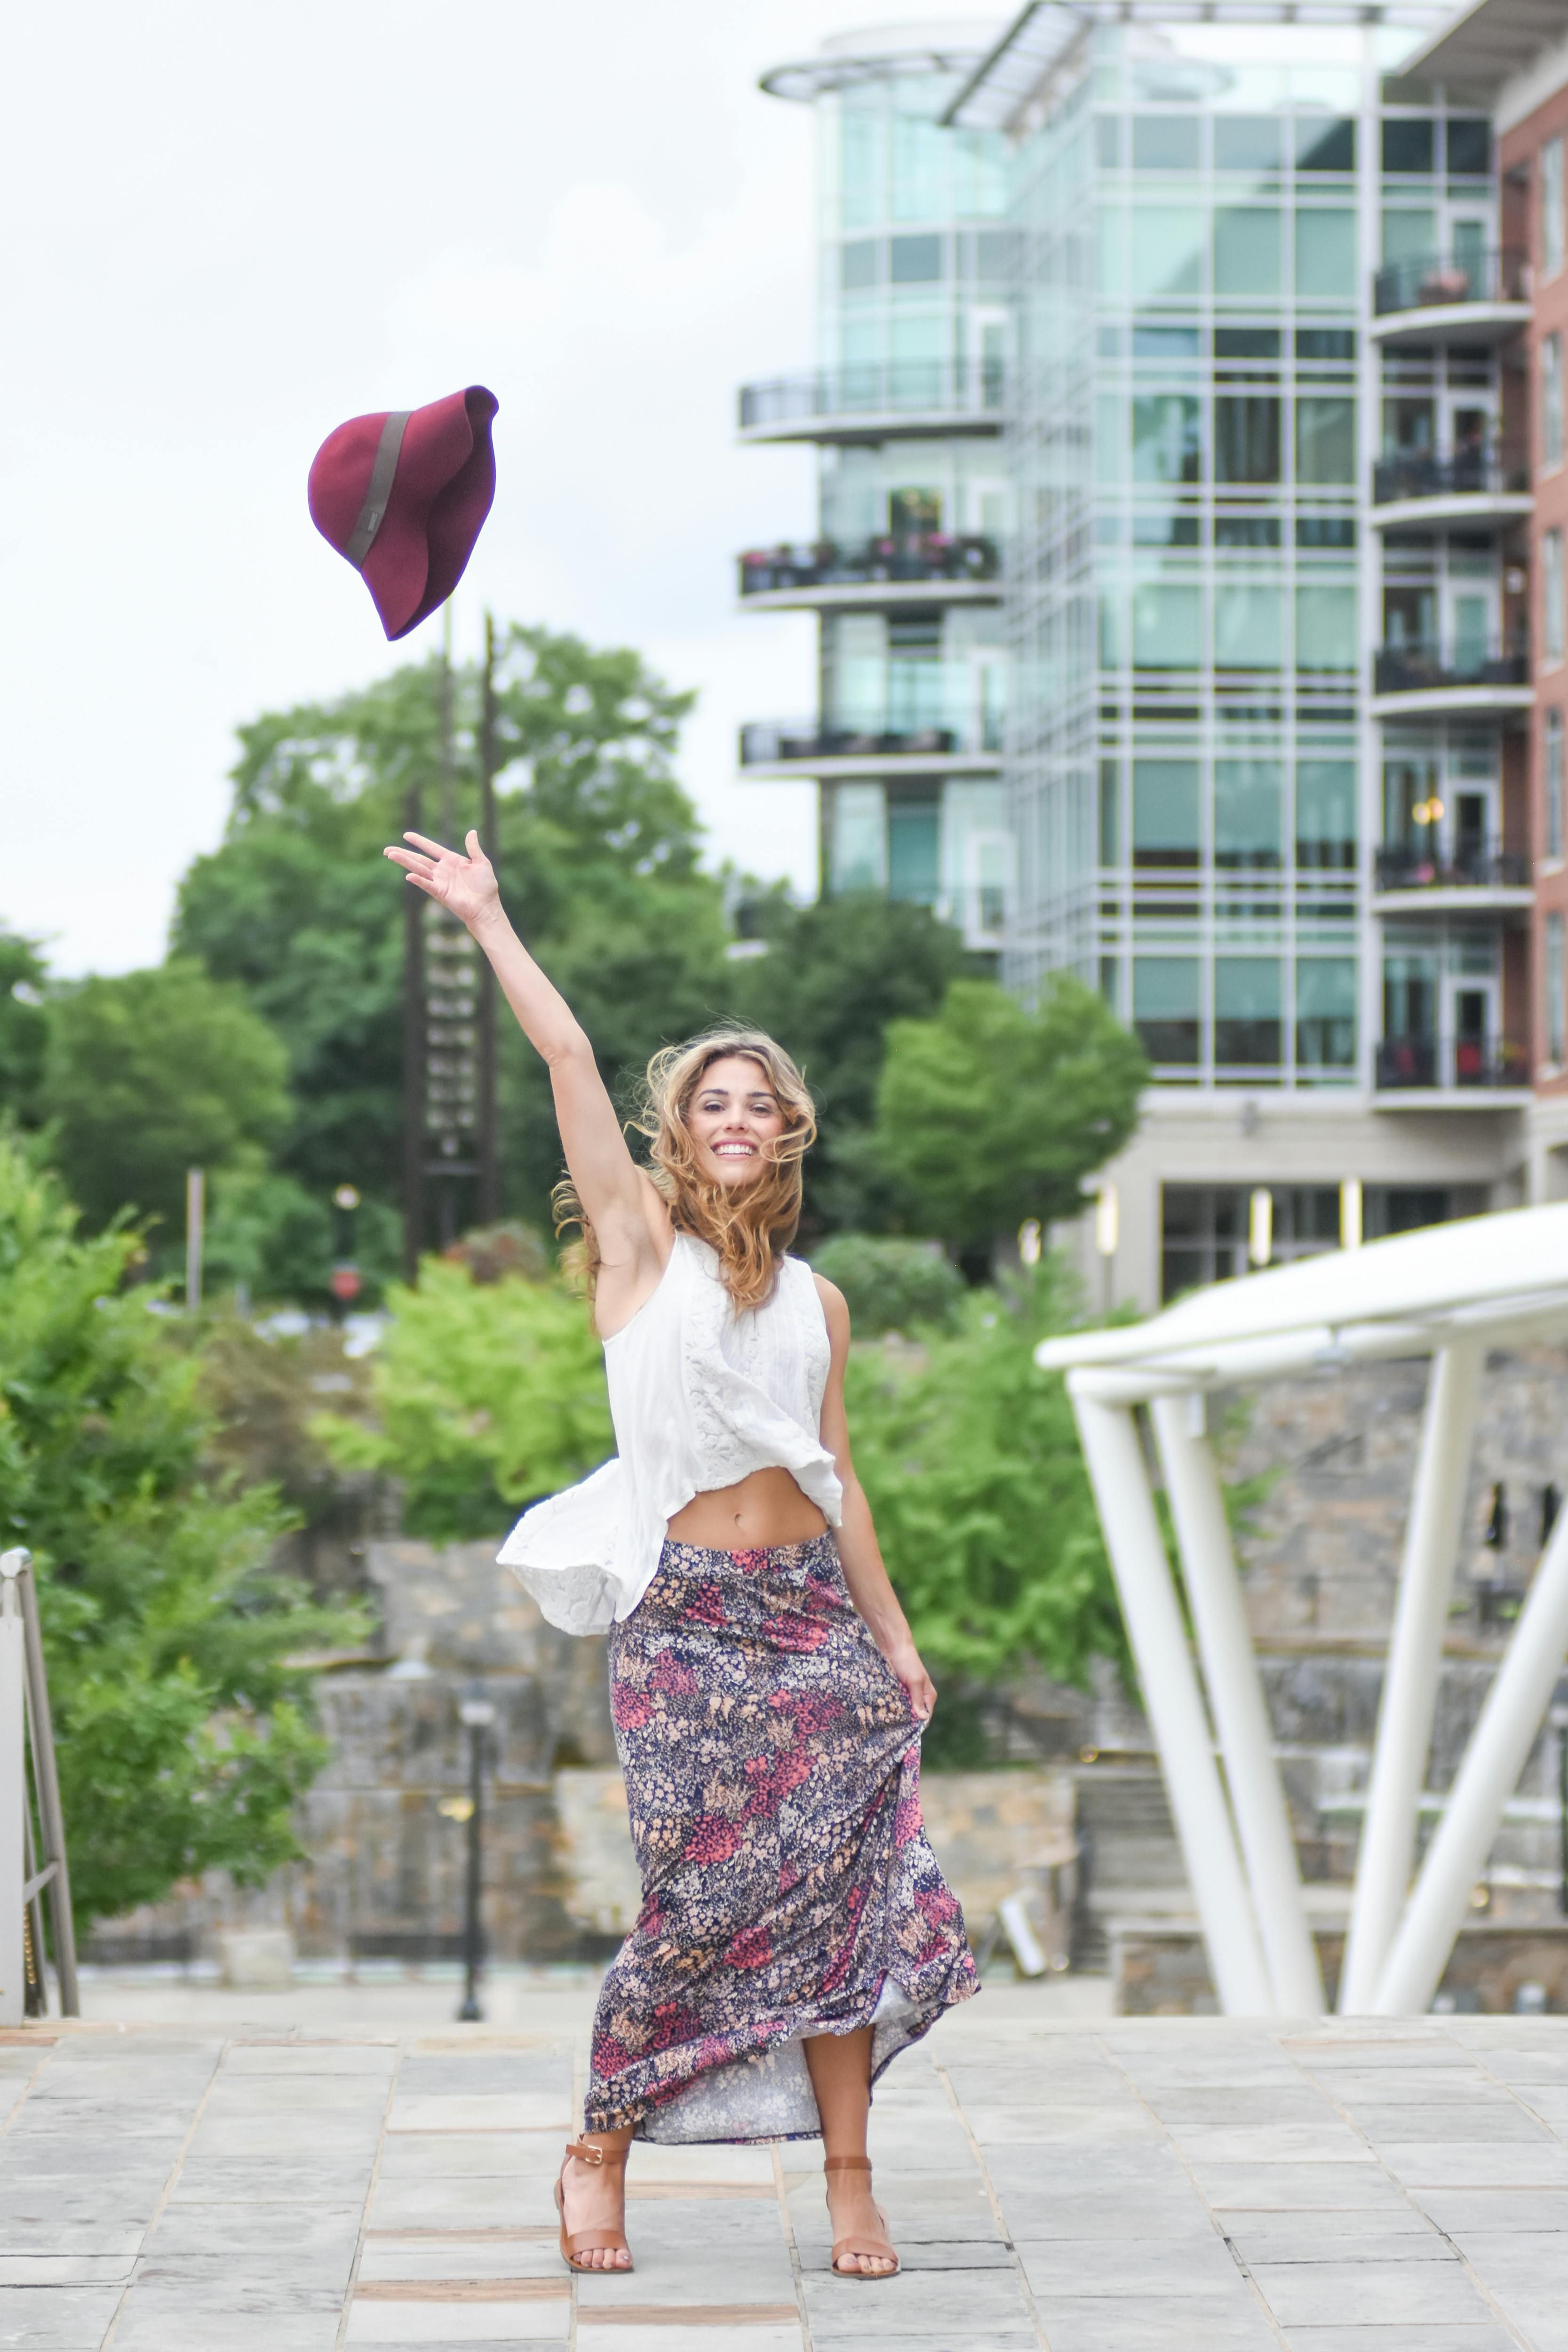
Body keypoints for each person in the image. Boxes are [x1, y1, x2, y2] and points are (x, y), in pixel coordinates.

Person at [383, 827, 978, 2283]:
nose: (735, 1116)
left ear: (786, 1130)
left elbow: (844, 1488)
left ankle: (850, 2180)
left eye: (757, 1103)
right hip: (687, 1622)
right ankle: (602, 2142)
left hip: (812, 1626)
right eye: (712, 1099)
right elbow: (571, 1064)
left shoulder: (821, 1303)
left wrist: (893, 1640)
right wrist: (488, 919)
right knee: (699, 1902)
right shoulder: (639, 1250)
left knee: (848, 1905)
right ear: (683, 1125)